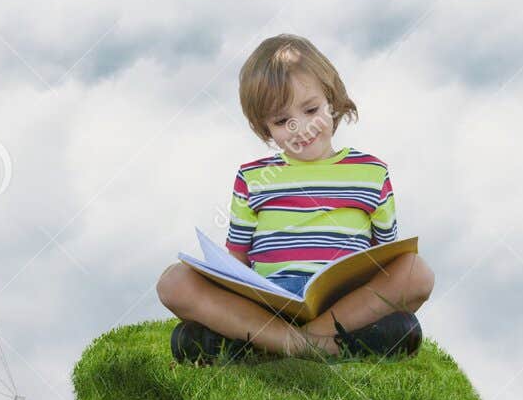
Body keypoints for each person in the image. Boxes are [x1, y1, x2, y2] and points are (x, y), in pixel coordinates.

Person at [156, 34, 433, 363]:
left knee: (416, 271)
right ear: (264, 127)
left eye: (311, 109)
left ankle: (273, 344)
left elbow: (385, 258)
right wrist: (232, 291)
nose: (300, 128)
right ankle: (318, 344)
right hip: (268, 304)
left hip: (342, 305)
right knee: (174, 281)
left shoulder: (372, 172)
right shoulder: (252, 177)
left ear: (331, 99)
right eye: (280, 121)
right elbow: (237, 263)